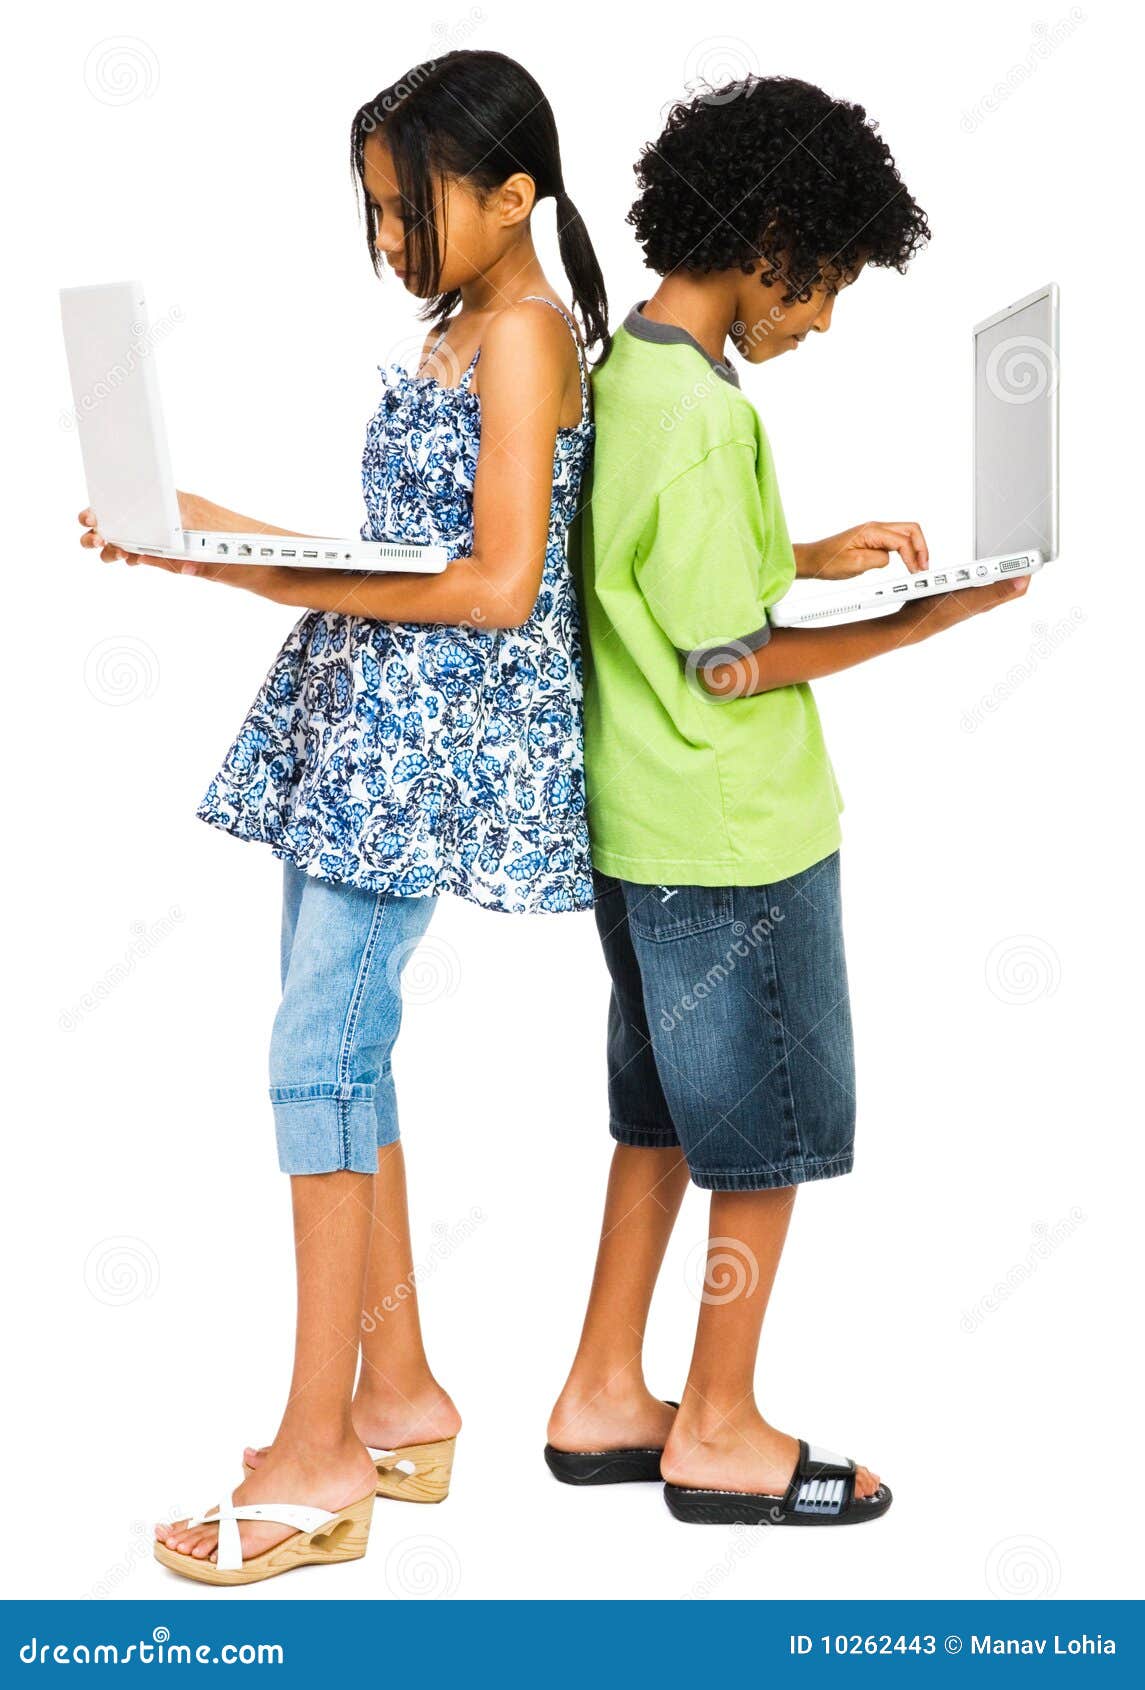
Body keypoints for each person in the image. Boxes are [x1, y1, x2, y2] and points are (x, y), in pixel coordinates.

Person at [79, 48, 608, 1583]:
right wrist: (190, 531)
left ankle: (317, 1455)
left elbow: (498, 585)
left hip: (424, 735)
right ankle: (395, 1394)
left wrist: (240, 568)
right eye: (373, 212)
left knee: (315, 1051)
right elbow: (389, 549)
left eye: (410, 211)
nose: (388, 243)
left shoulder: (525, 336)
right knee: (341, 1051)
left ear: (516, 196)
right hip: (360, 719)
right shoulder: (462, 321)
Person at [547, 75, 1029, 1526]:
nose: (817, 319)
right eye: (820, 287)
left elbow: (658, 578)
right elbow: (726, 658)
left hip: (645, 829)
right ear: (770, 237)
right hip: (737, 834)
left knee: (662, 1122)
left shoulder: (630, 375)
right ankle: (718, 1424)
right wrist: (925, 617)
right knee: (766, 1139)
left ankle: (599, 1394)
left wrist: (810, 552)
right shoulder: (698, 416)